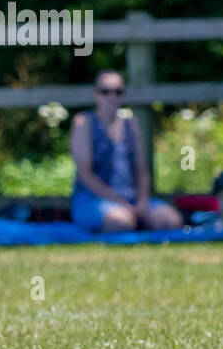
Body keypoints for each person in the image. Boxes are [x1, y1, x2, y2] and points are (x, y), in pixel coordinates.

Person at [70, 70, 183, 233]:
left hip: (132, 199)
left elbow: (142, 171)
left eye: (118, 92)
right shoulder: (83, 122)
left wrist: (142, 201)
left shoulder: (131, 123)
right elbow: (85, 174)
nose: (112, 96)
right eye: (105, 91)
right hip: (93, 200)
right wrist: (119, 202)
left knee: (171, 221)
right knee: (121, 222)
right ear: (95, 94)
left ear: (123, 95)